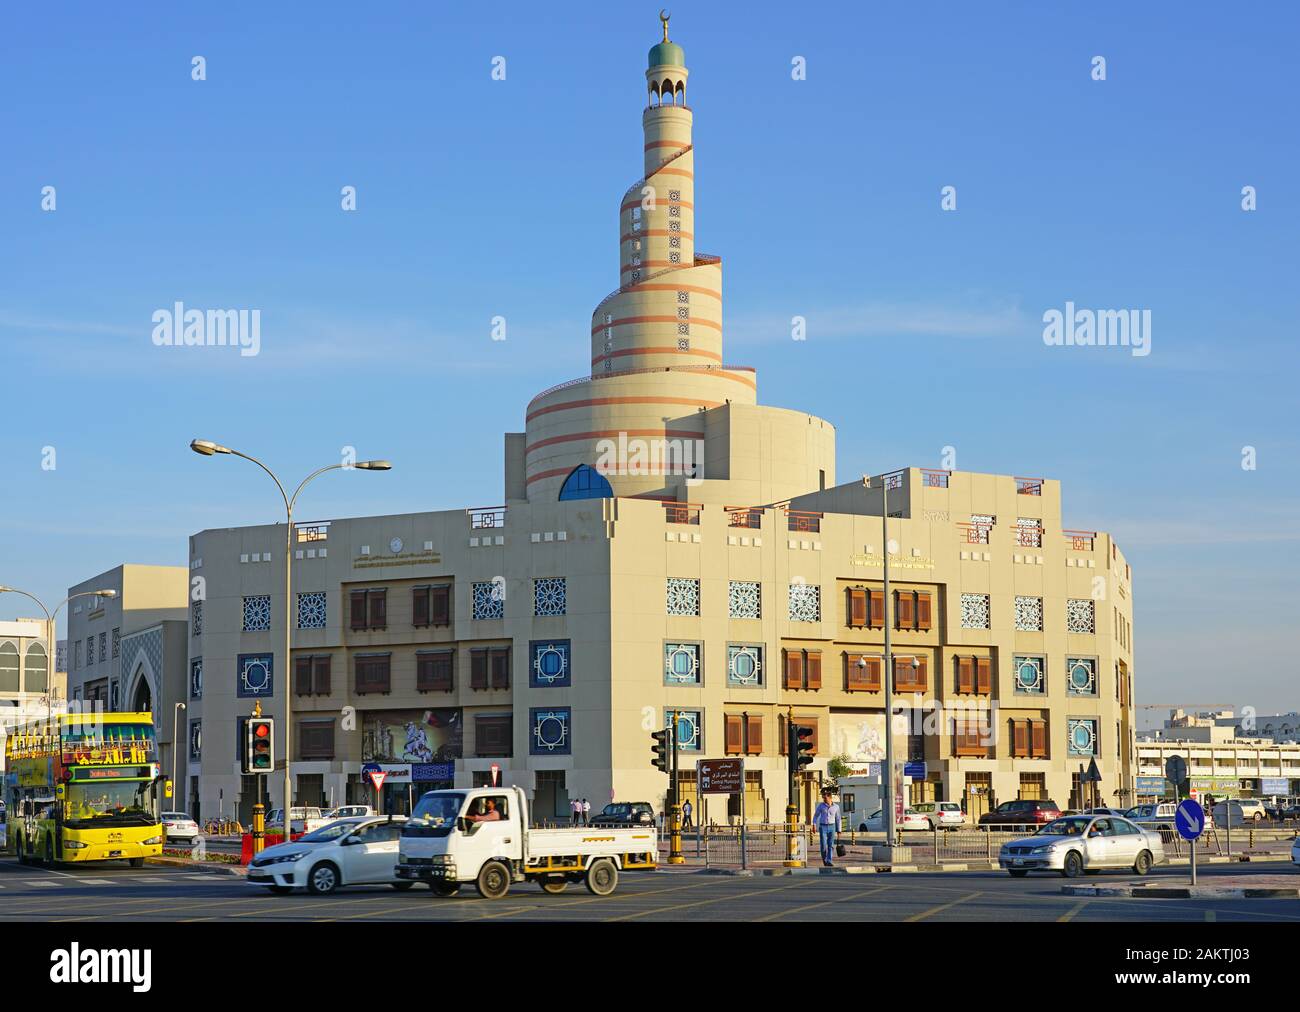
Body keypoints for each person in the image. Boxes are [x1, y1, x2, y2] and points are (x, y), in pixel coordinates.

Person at [812, 789, 841, 867]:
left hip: (832, 826)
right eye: (823, 798)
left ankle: (829, 860)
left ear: (830, 797)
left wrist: (839, 830)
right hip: (823, 827)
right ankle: (825, 860)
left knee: (831, 845)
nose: (824, 799)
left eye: (825, 798)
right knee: (823, 845)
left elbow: (838, 818)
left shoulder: (836, 807)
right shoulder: (821, 806)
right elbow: (816, 815)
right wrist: (814, 825)